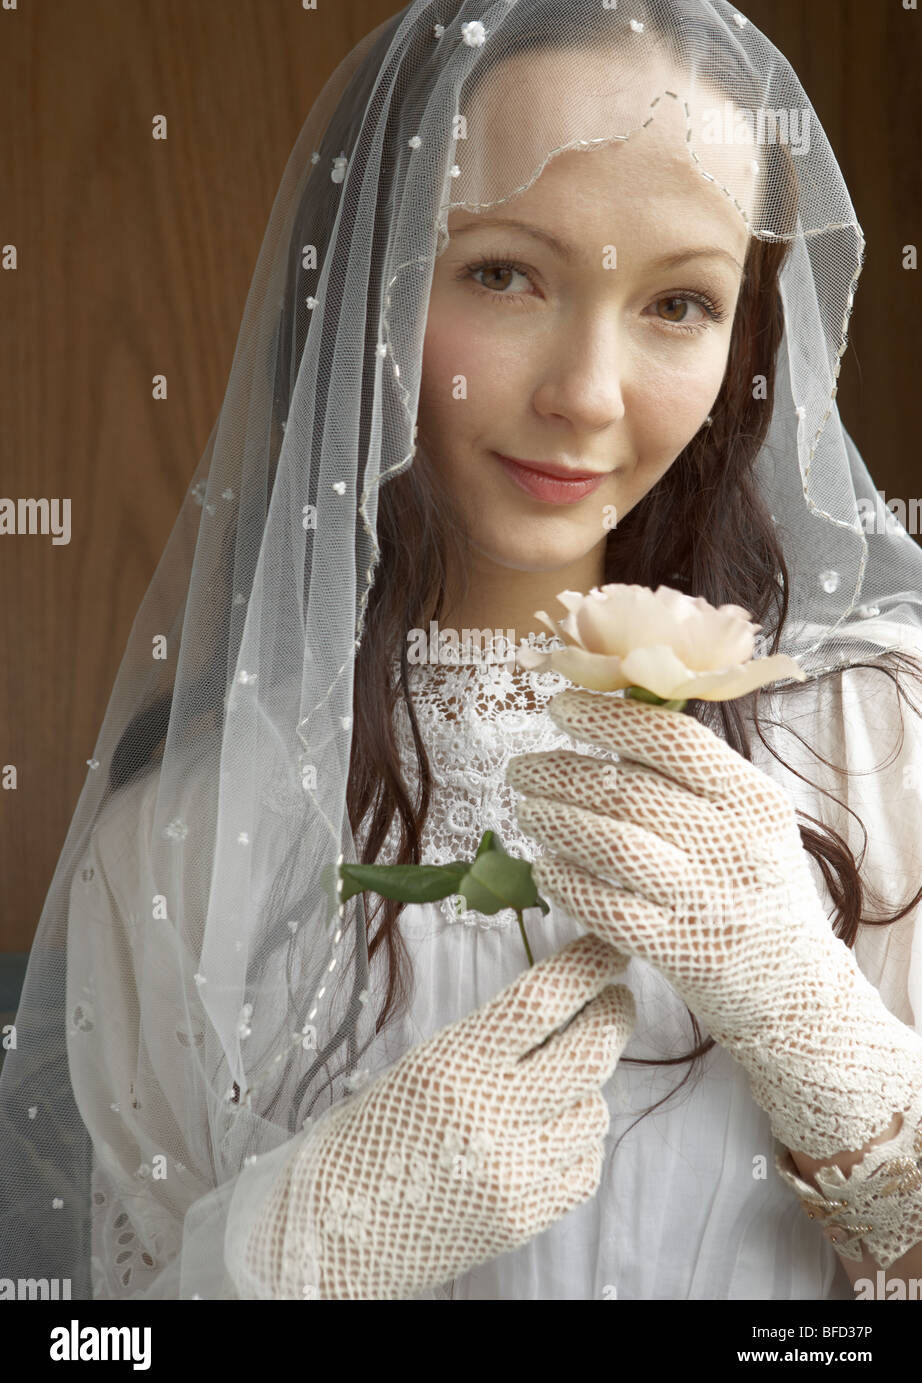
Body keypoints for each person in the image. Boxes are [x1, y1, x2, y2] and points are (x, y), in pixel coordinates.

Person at [2, 0, 922, 1302]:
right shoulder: (184, 843)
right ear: (367, 288)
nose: (587, 393)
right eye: (504, 274)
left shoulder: (876, 741)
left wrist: (828, 1050)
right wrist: (285, 1254)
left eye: (678, 302)